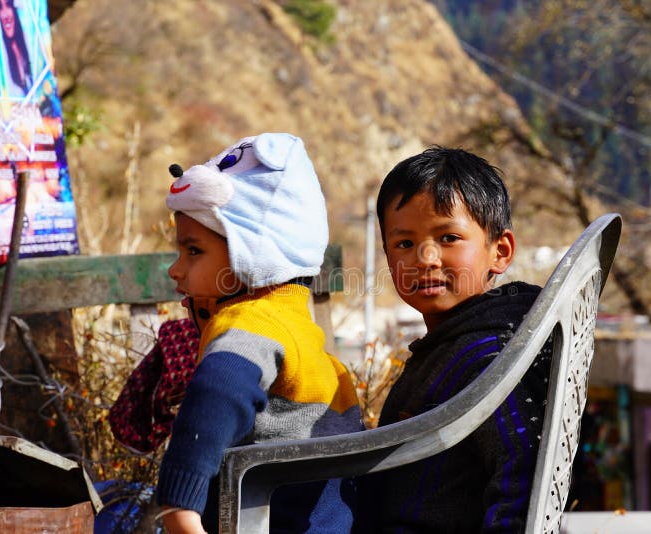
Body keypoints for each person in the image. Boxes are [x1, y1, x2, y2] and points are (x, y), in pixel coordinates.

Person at [156, 132, 362, 534]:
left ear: (250, 257)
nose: (175, 270)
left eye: (193, 251)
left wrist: (177, 508)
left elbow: (216, 393)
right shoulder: (305, 338)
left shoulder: (248, 324)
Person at [356, 147, 554, 533]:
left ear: (501, 251)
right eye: (404, 244)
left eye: (448, 237)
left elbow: (523, 476)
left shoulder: (492, 356)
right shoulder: (449, 346)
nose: (426, 258)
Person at [0, 0, 30, 96]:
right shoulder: (0, 58)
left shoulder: (30, 43)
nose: (6, 16)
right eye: (0, 8)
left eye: (8, 6)